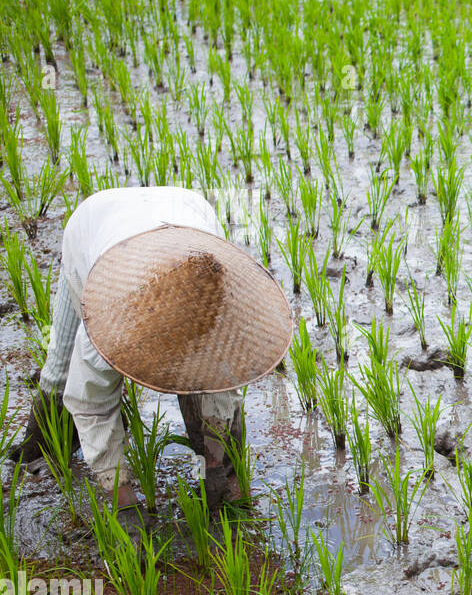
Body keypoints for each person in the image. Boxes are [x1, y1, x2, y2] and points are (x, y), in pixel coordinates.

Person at [10, 186, 293, 514]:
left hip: (186, 211)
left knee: (202, 383)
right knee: (61, 363)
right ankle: (41, 451)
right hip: (93, 229)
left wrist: (216, 467)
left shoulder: (215, 304)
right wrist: (121, 500)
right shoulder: (116, 315)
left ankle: (219, 476)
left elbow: (220, 389)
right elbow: (91, 403)